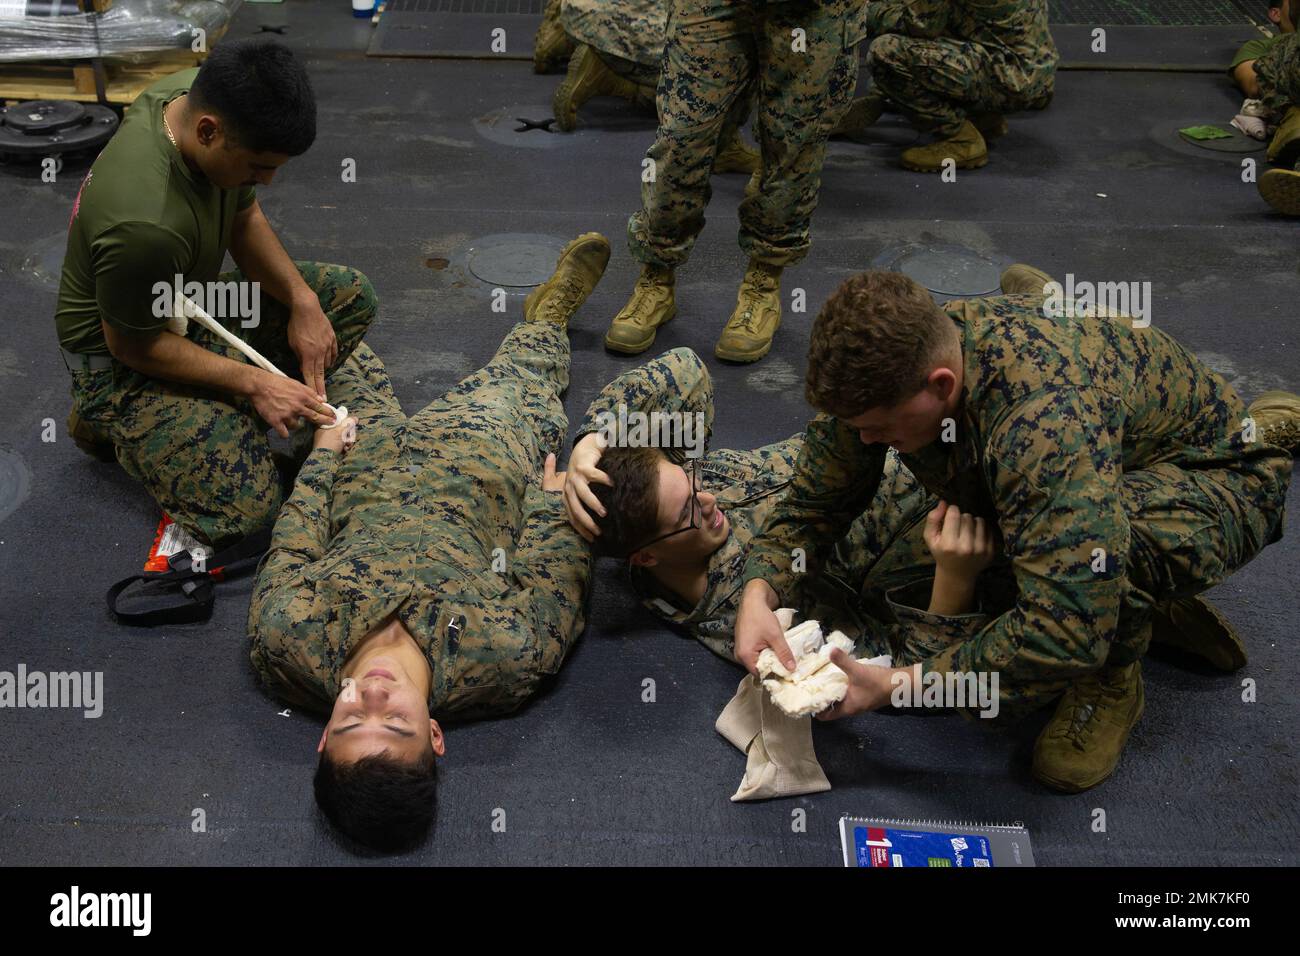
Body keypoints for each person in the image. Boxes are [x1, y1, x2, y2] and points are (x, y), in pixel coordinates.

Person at [733, 264, 1294, 792]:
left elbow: (1062, 630)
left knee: (1087, 581)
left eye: (879, 429)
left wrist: (905, 683)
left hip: (1220, 477)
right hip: (1098, 444)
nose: (865, 442)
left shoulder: (1044, 423)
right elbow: (815, 502)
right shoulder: (886, 366)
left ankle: (1115, 663)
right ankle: (1130, 592)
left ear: (941, 385)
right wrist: (761, 591)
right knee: (943, 558)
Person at [247, 233, 610, 852]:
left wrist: (324, 456)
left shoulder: (288, 638)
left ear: (321, 736)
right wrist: (551, 506)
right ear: (436, 736)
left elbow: (297, 537)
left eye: (352, 720)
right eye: (395, 722)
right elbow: (558, 577)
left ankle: (122, 386)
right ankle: (546, 315)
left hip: (361, 450)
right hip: (483, 457)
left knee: (306, 334)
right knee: (526, 376)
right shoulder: (504, 658)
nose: (377, 696)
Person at [56, 38, 377, 550]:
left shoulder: (191, 98)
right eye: (257, 167)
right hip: (120, 359)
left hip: (185, 305)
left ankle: (218, 407)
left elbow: (242, 214)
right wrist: (256, 384)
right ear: (209, 132)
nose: (267, 181)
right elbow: (131, 347)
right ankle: (107, 421)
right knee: (248, 513)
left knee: (348, 299)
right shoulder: (145, 223)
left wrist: (302, 302)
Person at [561, 347, 1002, 667]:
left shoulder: (669, 498)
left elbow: (686, 372)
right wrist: (955, 577)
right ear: (647, 556)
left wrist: (594, 440)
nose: (708, 497)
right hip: (967, 520)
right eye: (687, 512)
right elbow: (906, 667)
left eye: (693, 480)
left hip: (895, 437)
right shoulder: (748, 616)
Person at [604, 0, 865, 363]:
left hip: (813, 13)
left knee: (792, 145)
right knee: (681, 138)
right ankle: (656, 278)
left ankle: (763, 285)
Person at [547, 0, 759, 175]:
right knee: (727, 54)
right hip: (629, 27)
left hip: (581, 12)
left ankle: (607, 70)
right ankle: (723, 145)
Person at [863, 0, 1058, 171]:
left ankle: (960, 138)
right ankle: (981, 116)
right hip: (1035, 69)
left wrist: (861, 12)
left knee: (886, 54)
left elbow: (919, 23)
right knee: (884, 84)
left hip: (1009, 76)